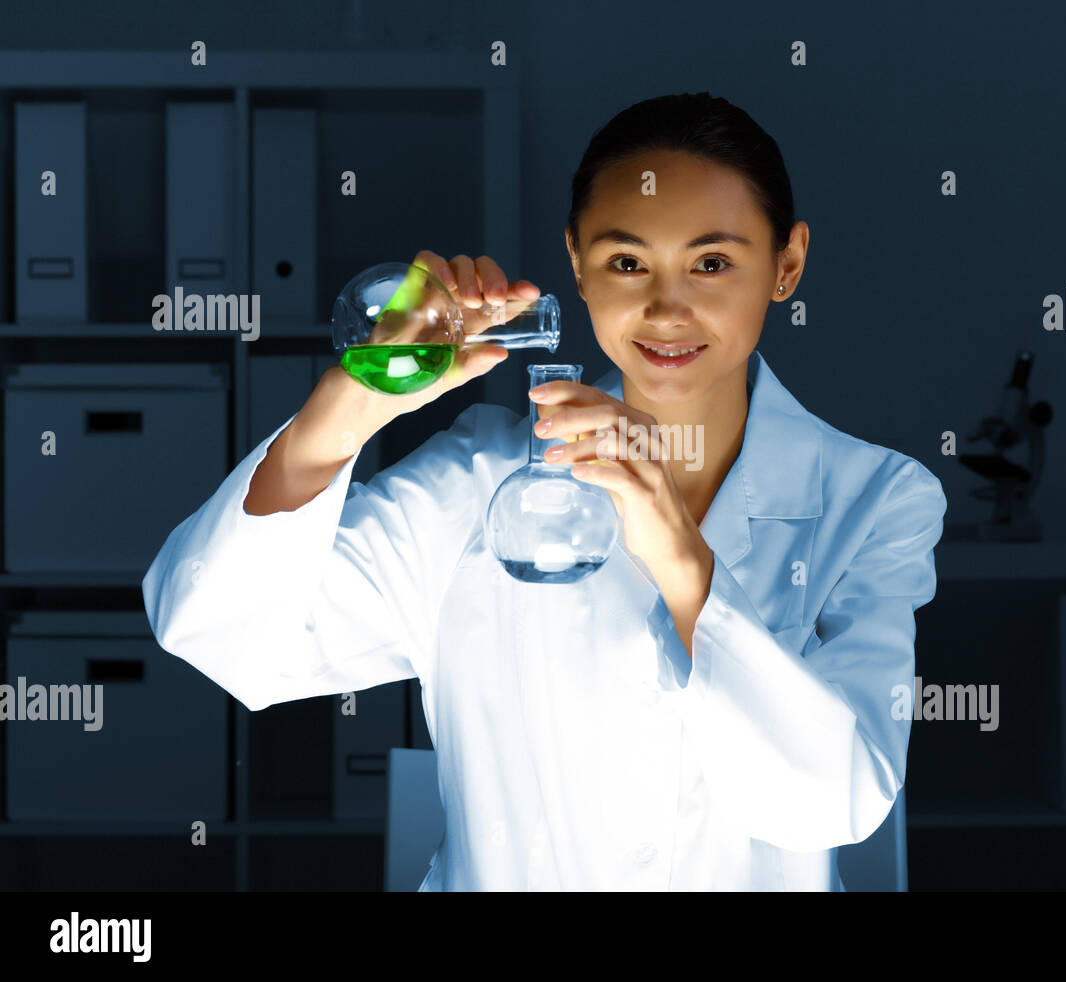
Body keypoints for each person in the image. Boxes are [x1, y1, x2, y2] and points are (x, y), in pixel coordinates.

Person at [142, 92, 947, 891]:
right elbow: (217, 633)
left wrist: (681, 559)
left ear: (787, 264)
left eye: (712, 262)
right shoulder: (479, 482)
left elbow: (836, 800)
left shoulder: (874, 499)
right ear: (576, 262)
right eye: (626, 262)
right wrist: (357, 403)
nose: (667, 309)